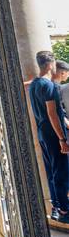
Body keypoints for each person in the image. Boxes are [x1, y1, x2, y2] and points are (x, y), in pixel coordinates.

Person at [29, 50, 69, 223]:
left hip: (42, 133)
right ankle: (64, 210)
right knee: (61, 172)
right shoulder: (49, 86)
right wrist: (62, 139)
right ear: (51, 65)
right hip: (53, 134)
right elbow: (53, 114)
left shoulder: (34, 84)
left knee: (52, 172)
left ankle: (57, 207)